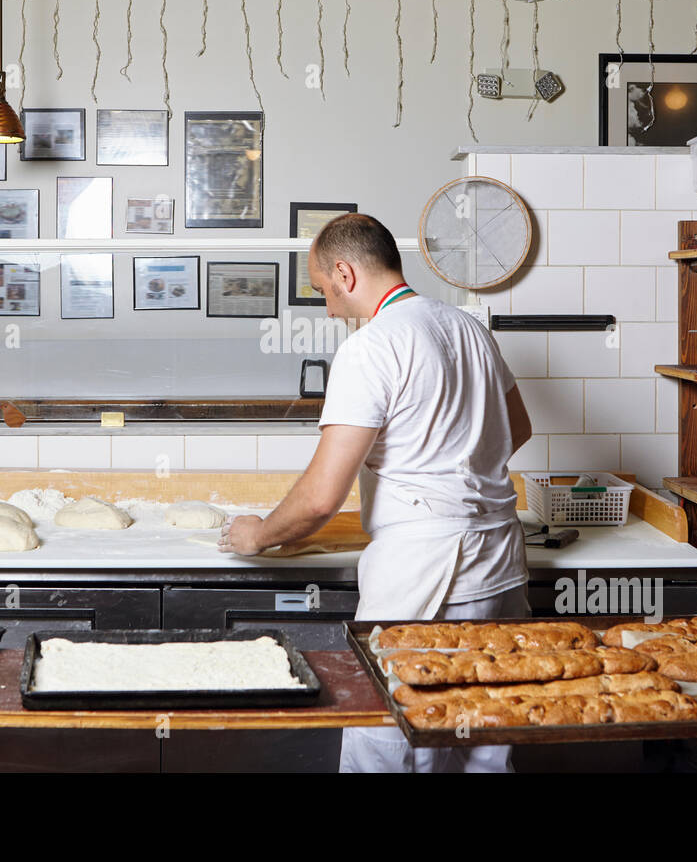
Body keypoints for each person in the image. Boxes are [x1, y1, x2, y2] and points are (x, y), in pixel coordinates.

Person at [219, 212, 533, 773]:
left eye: (322, 290)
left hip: (427, 571)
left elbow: (321, 498)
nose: (327, 307)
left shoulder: (372, 347)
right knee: (484, 732)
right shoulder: (468, 327)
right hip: (499, 560)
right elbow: (519, 428)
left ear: (344, 272)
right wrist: (457, 476)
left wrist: (258, 534)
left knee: (386, 740)